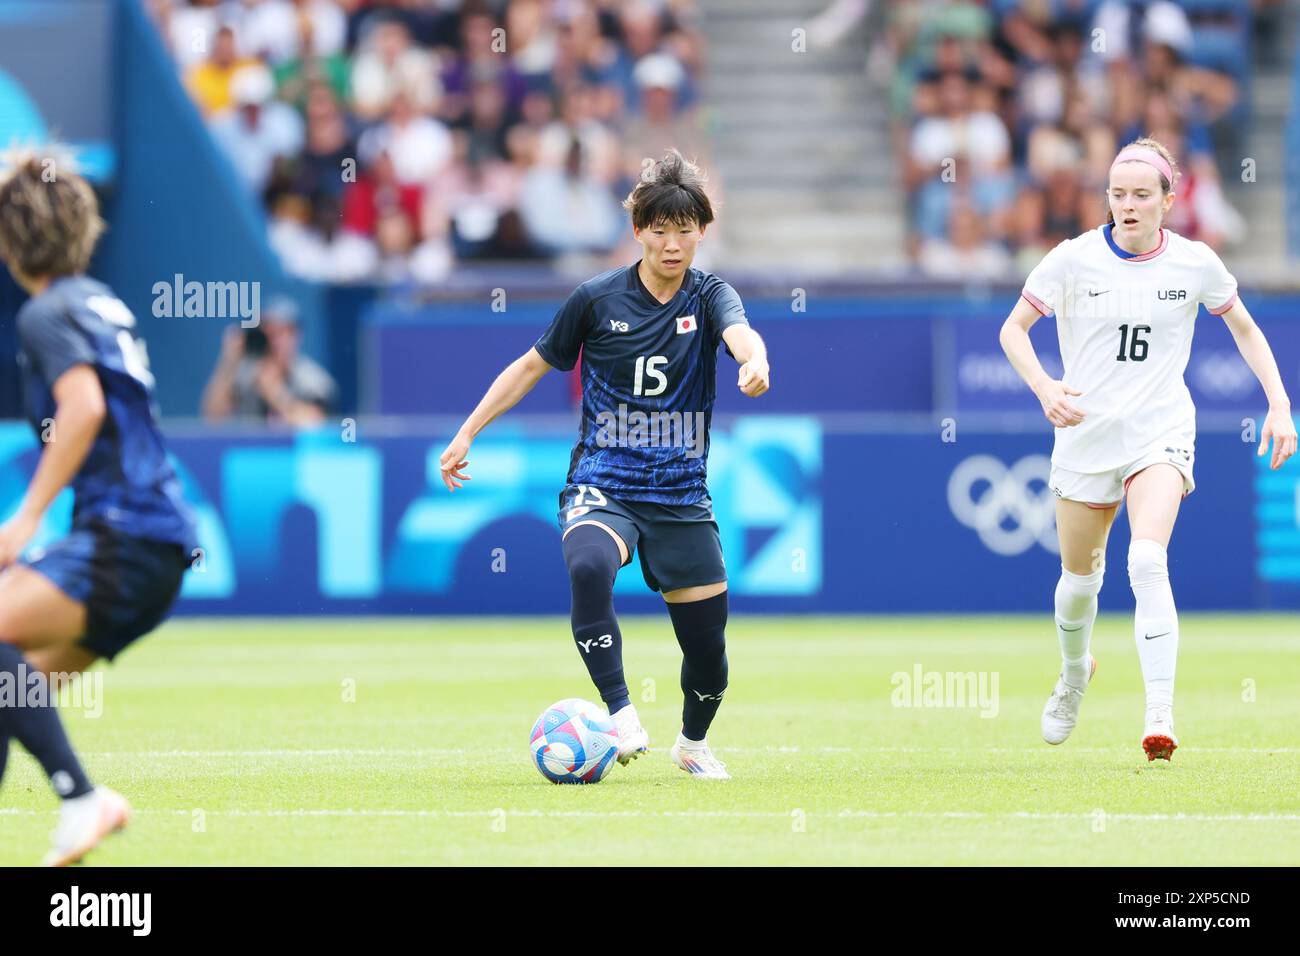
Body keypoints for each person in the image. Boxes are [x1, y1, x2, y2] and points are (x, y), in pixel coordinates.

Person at [438, 150, 770, 779]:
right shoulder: (595, 299)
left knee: (709, 653)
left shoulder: (710, 293)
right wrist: (468, 431)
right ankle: (619, 713)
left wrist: (754, 361)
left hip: (680, 494)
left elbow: (740, 332)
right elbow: (532, 366)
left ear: (703, 229)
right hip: (603, 482)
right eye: (660, 230)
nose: (673, 244)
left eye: (685, 230)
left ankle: (693, 744)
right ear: (638, 229)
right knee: (588, 562)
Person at [999, 138, 1296, 761]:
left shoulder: (1195, 263)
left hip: (1159, 432)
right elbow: (1014, 330)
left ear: (1168, 200)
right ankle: (1075, 672)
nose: (1127, 205)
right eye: (1117, 194)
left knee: (1146, 560)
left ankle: (1158, 711)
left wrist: (1278, 402)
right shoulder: (1073, 259)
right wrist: (1045, 386)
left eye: (1141, 195)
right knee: (1079, 581)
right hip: (1086, 436)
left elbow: (1243, 326)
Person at [0, 153, 199, 863]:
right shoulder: (96, 300)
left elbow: (81, 407)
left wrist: (23, 519)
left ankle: (83, 798)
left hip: (128, 537)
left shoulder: (44, 313)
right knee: (5, 685)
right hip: (157, 547)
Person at [201, 298, 336, 426]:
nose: (274, 341)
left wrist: (274, 393)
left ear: (296, 336)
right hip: (251, 448)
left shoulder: (313, 380)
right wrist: (229, 362)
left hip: (294, 449)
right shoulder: (246, 374)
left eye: (281, 333)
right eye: (268, 333)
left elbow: (316, 424)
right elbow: (213, 416)